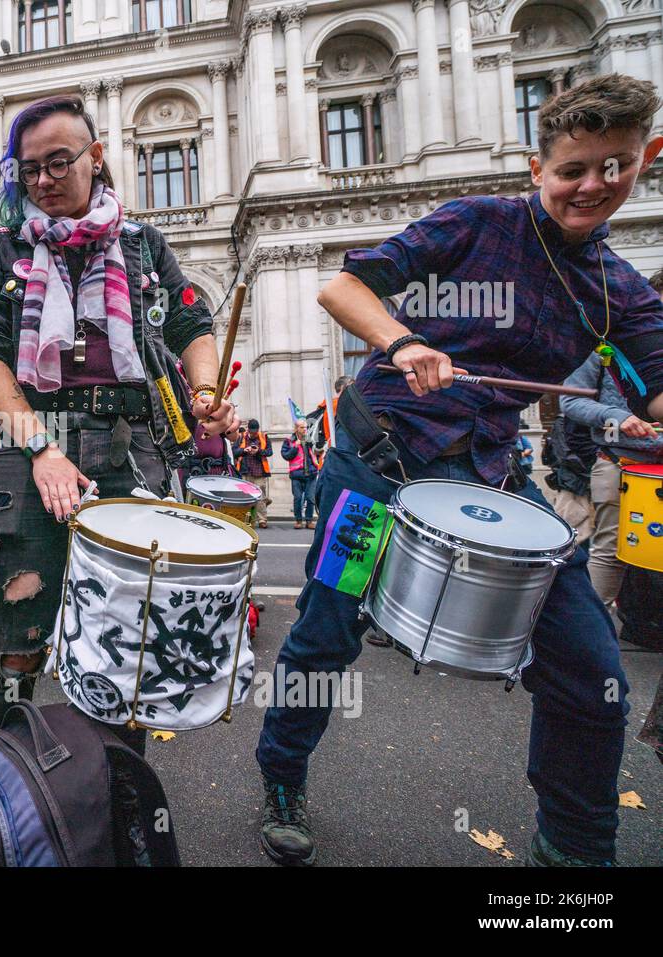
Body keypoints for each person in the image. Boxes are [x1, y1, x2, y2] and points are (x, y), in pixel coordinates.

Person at [255, 74, 663, 868]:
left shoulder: (621, 291)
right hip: (379, 462)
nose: (592, 186)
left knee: (589, 664)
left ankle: (575, 847)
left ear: (645, 159)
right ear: (535, 167)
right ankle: (281, 774)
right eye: (572, 169)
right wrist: (403, 343)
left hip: (489, 473)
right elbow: (344, 286)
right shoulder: (474, 222)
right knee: (327, 629)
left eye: (614, 167)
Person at [0, 93, 239, 752]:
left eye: (59, 162)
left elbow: (193, 325)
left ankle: (120, 802)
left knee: (127, 642)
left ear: (97, 156)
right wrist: (43, 449)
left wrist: (206, 391)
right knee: (14, 642)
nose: (44, 180)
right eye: (29, 170)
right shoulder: (1, 250)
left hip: (134, 450)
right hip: (33, 448)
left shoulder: (143, 245)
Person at [560, 336, 663, 607]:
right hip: (621, 464)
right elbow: (571, 402)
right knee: (612, 550)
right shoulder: (603, 345)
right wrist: (619, 417)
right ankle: (594, 636)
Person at [541, 411, 598, 545]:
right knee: (570, 522)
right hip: (573, 481)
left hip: (588, 478)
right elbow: (565, 454)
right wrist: (592, 473)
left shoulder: (594, 417)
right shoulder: (563, 421)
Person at [280, 419, 319, 529]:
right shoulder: (289, 440)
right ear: (296, 428)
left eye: (306, 427)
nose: (305, 430)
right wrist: (295, 447)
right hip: (296, 474)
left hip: (311, 473)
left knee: (311, 498)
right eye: (302, 427)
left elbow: (317, 451)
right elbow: (286, 455)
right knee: (297, 498)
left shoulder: (310, 440)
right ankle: (298, 520)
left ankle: (309, 520)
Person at [234, 418, 273, 527]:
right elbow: (234, 451)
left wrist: (258, 451)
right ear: (248, 430)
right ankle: (249, 519)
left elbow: (269, 452)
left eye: (255, 432)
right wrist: (244, 451)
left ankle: (262, 520)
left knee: (259, 496)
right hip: (246, 471)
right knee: (247, 496)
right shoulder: (241, 437)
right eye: (251, 432)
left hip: (260, 472)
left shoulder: (264, 437)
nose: (253, 434)